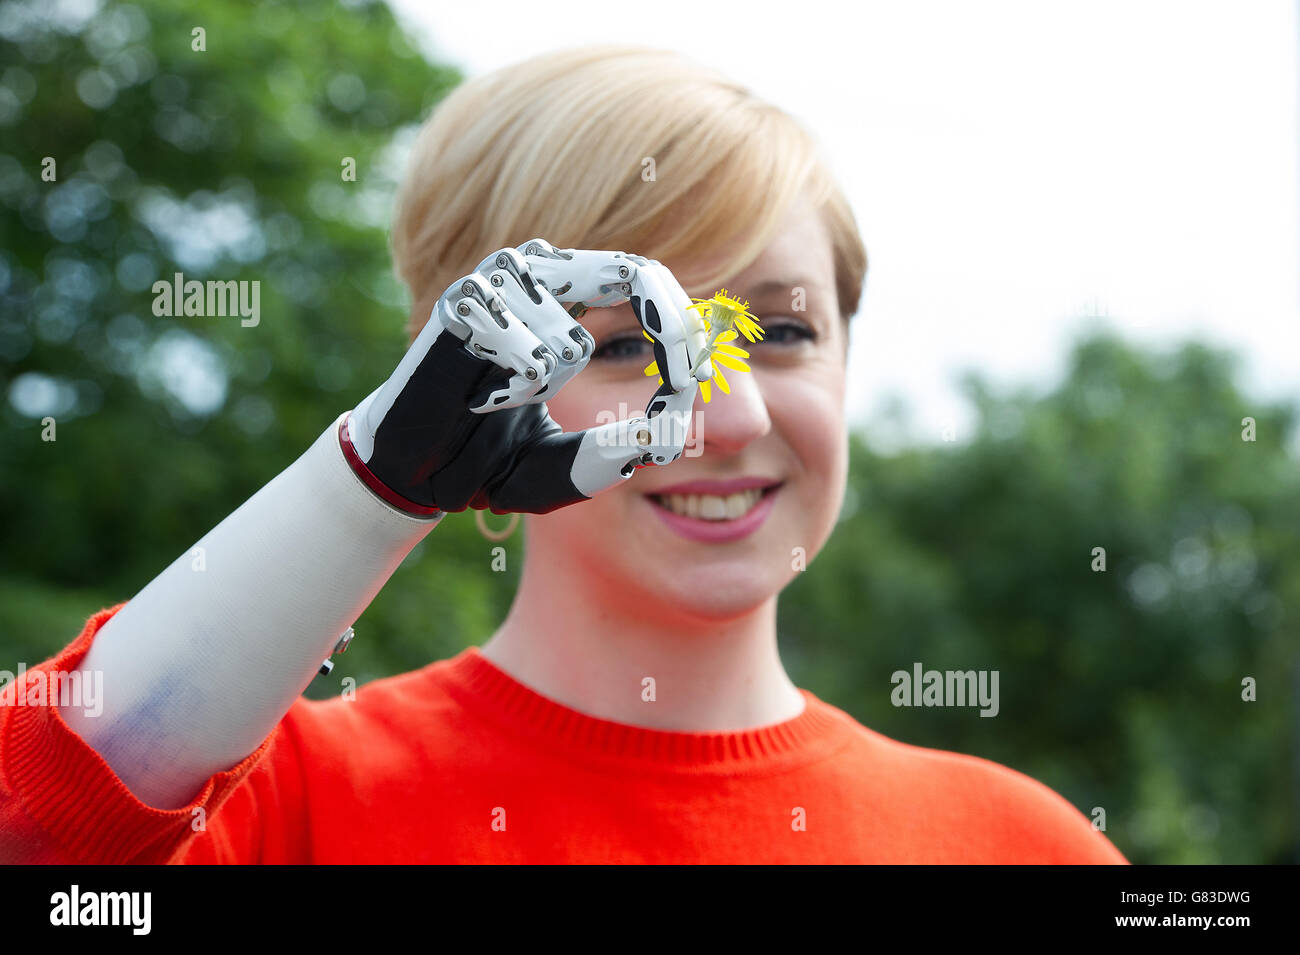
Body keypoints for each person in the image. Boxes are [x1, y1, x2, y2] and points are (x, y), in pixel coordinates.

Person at [0, 44, 1126, 864]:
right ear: (464, 383)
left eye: (781, 331)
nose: (721, 416)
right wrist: (368, 489)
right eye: (633, 343)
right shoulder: (283, 806)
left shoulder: (1020, 844)